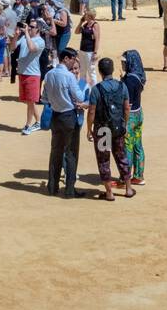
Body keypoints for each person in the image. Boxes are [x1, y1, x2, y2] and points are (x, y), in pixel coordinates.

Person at [86, 57, 134, 200]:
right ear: (112, 70)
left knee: (103, 160)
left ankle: (109, 193)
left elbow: (92, 112)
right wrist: (124, 125)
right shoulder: (122, 86)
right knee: (121, 157)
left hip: (103, 130)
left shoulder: (96, 89)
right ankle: (129, 189)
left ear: (100, 72)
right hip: (118, 128)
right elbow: (126, 108)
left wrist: (89, 129)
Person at [43, 48, 88, 198]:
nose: (74, 62)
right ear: (66, 58)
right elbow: (80, 97)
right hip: (69, 117)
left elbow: (44, 98)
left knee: (55, 152)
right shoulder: (69, 76)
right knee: (71, 153)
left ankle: (52, 187)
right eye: (73, 59)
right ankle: (69, 189)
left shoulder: (49, 75)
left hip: (55, 117)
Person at [13, 18, 46, 135]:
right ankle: (38, 122)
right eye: (29, 26)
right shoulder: (23, 38)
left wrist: (26, 33)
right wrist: (16, 36)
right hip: (22, 73)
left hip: (33, 74)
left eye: (32, 27)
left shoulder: (40, 41)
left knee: (31, 101)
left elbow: (32, 48)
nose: (29, 28)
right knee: (29, 101)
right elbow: (12, 48)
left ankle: (28, 125)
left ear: (38, 29)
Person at [119, 48, 146, 186]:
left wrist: (124, 120)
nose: (123, 64)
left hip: (130, 116)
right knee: (138, 145)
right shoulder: (138, 76)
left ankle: (126, 178)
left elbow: (127, 104)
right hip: (139, 113)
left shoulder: (129, 80)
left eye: (124, 62)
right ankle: (139, 176)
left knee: (127, 146)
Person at [75, 8, 102, 85]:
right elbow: (76, 32)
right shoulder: (85, 24)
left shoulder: (95, 25)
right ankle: (82, 88)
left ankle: (94, 90)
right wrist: (81, 22)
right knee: (82, 70)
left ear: (89, 16)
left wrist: (95, 53)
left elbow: (97, 40)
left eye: (85, 14)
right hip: (82, 50)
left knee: (91, 71)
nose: (84, 15)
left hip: (90, 52)